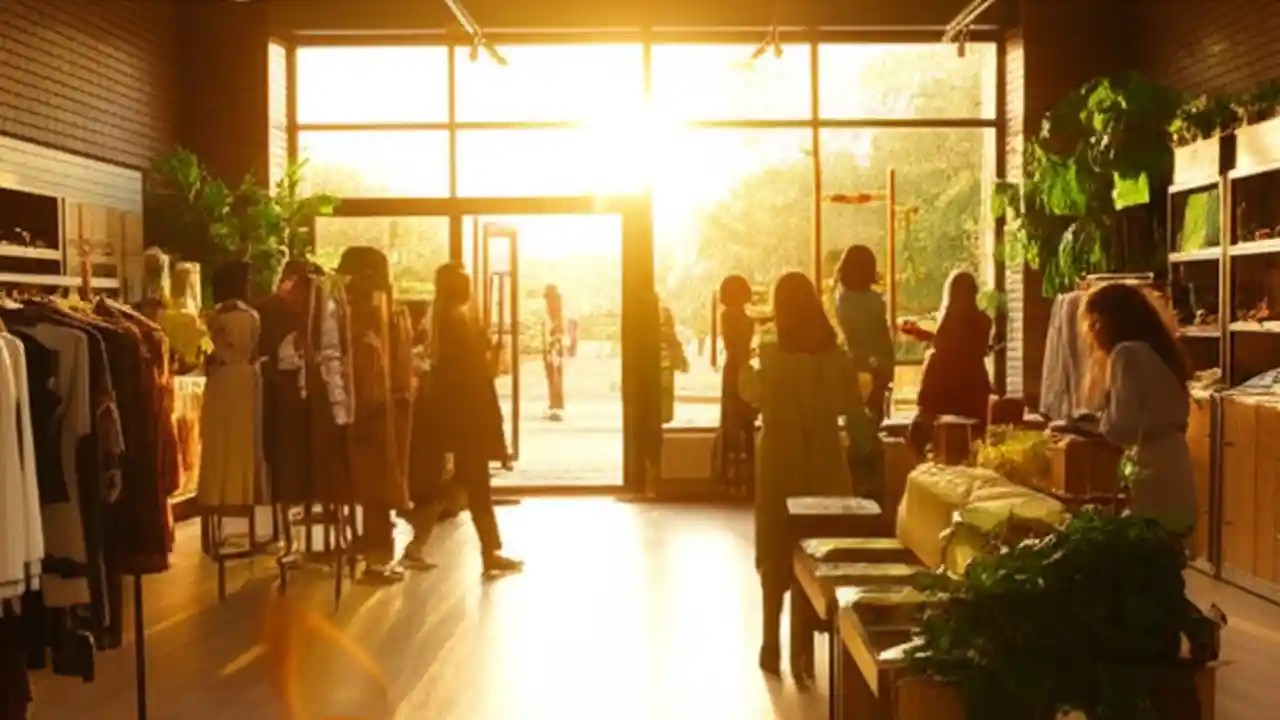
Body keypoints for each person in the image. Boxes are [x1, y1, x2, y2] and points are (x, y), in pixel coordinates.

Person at [738, 272, 862, 679]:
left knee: (776, 551)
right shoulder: (835, 353)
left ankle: (770, 642)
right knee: (819, 551)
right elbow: (851, 402)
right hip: (825, 459)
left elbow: (749, 392)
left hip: (780, 458)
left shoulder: (770, 352)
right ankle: (804, 648)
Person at [403, 263, 523, 575]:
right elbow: (474, 376)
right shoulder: (457, 325)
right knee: (474, 486)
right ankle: (488, 552)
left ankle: (422, 545)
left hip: (448, 417)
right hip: (466, 418)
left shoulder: (441, 321)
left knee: (452, 486)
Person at [1081, 283, 1195, 533]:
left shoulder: (1126, 354)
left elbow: (1122, 427)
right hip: (1175, 461)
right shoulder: (1155, 351)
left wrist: (1098, 424)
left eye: (1096, 323)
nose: (1092, 332)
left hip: (1151, 469)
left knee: (1146, 548)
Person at [197, 260, 265, 508]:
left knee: (218, 439)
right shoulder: (252, 316)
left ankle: (217, 495)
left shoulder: (214, 317)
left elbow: (207, 353)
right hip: (247, 380)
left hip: (223, 380)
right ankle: (243, 493)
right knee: (244, 442)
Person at [902, 270, 992, 456]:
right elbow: (973, 348)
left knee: (925, 433)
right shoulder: (984, 321)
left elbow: (946, 347)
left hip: (943, 386)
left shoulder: (944, 324)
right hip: (974, 386)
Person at [833, 244, 895, 424]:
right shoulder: (877, 302)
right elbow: (883, 340)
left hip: (850, 370)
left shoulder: (841, 302)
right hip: (875, 369)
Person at [717, 275, 757, 496]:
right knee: (743, 421)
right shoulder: (738, 318)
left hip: (733, 368)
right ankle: (745, 477)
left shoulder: (728, 316)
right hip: (739, 368)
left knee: (734, 422)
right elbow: (738, 346)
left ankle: (733, 477)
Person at [659, 305, 689, 425]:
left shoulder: (658, 331)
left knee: (663, 391)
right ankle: (665, 415)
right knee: (665, 391)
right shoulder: (669, 333)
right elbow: (675, 346)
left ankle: (663, 415)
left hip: (662, 365)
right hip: (666, 364)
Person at [543, 284, 566, 421]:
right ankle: (555, 403)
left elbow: (556, 333)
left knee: (554, 375)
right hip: (554, 347)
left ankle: (555, 405)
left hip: (554, 347)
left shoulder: (555, 316)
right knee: (553, 375)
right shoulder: (555, 314)